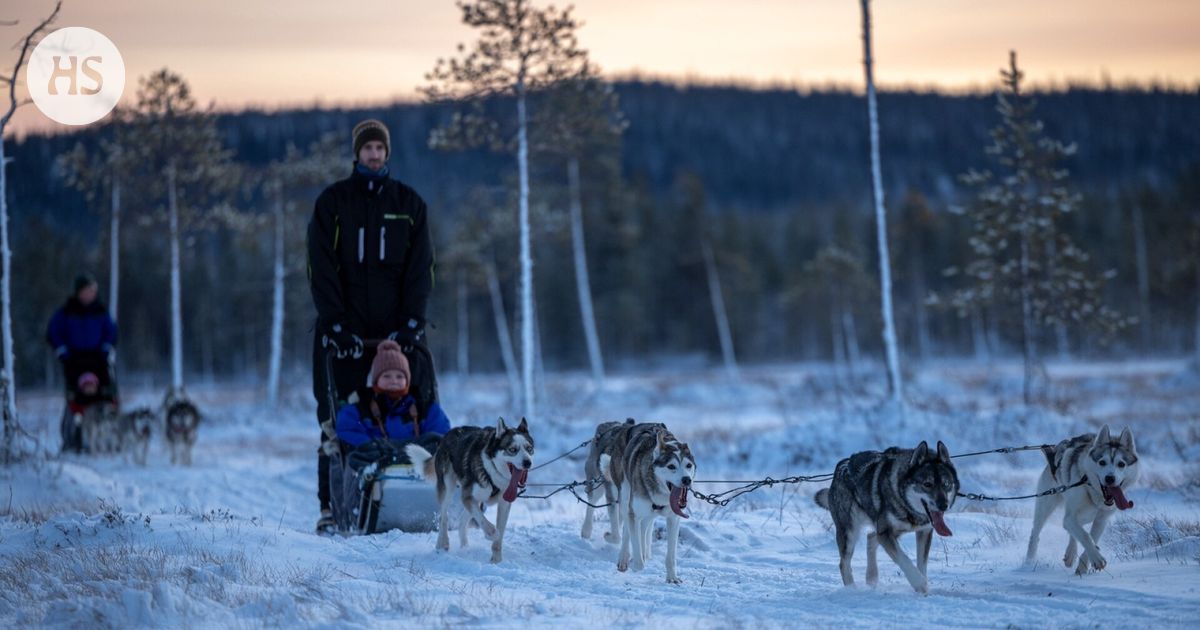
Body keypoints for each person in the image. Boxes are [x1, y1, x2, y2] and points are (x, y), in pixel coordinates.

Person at [307, 119, 436, 533]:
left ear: (387, 152)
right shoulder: (334, 202)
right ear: (357, 153)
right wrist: (334, 323)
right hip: (345, 333)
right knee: (337, 418)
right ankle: (332, 507)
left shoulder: (409, 204)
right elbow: (320, 266)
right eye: (368, 148)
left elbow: (421, 268)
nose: (374, 155)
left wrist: (412, 322)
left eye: (380, 148)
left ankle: (419, 492)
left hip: (397, 333)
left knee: (414, 408)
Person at [335, 340, 448, 469]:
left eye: (399, 377)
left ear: (407, 380)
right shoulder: (360, 408)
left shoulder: (424, 407)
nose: (394, 381)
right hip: (376, 468)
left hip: (420, 468)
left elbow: (440, 433)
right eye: (387, 376)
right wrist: (373, 448)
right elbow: (348, 430)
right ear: (376, 380)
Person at [47, 273, 118, 452]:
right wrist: (62, 351)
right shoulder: (66, 312)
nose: (90, 294)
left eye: (92, 291)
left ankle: (111, 437)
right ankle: (71, 438)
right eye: (86, 291)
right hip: (74, 360)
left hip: (98, 359)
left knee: (107, 395)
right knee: (74, 399)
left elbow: (111, 332)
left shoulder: (101, 311)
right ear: (78, 292)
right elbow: (53, 332)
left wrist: (107, 347)